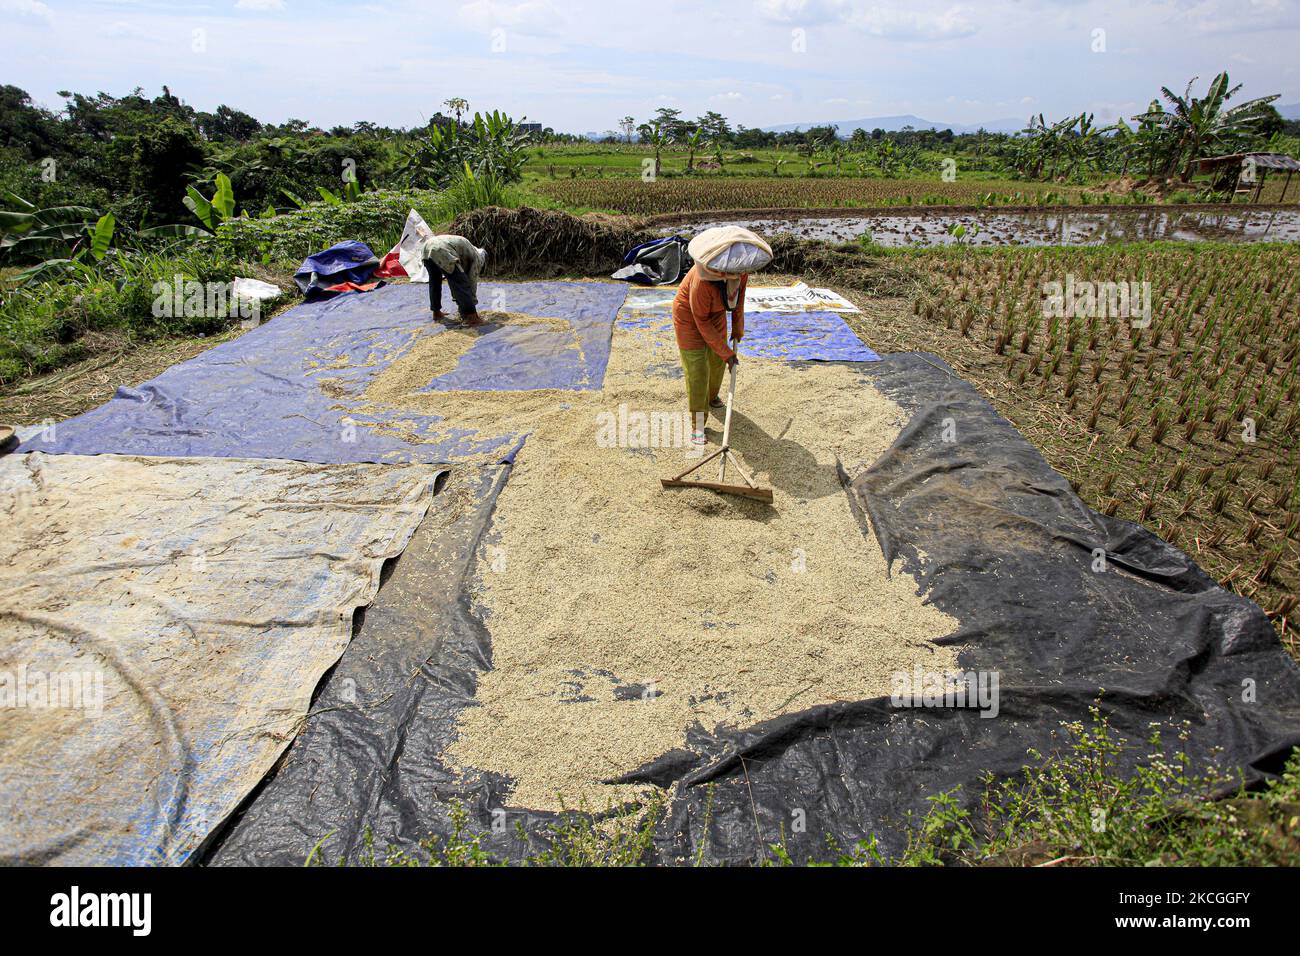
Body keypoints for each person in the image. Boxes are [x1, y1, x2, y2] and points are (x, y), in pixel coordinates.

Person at [672, 227, 772, 445]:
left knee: (717, 362)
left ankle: (712, 396)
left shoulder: (740, 273)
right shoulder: (702, 283)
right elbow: (702, 322)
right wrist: (727, 352)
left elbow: (739, 301)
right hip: (690, 318)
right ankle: (697, 425)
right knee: (697, 371)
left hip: (716, 314)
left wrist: (737, 329)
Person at [420, 234, 487, 326]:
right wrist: (472, 304)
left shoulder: (468, 250)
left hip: (426, 248)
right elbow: (470, 282)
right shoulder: (478, 258)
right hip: (441, 250)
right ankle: (472, 318)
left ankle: (436, 313)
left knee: (435, 281)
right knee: (461, 283)